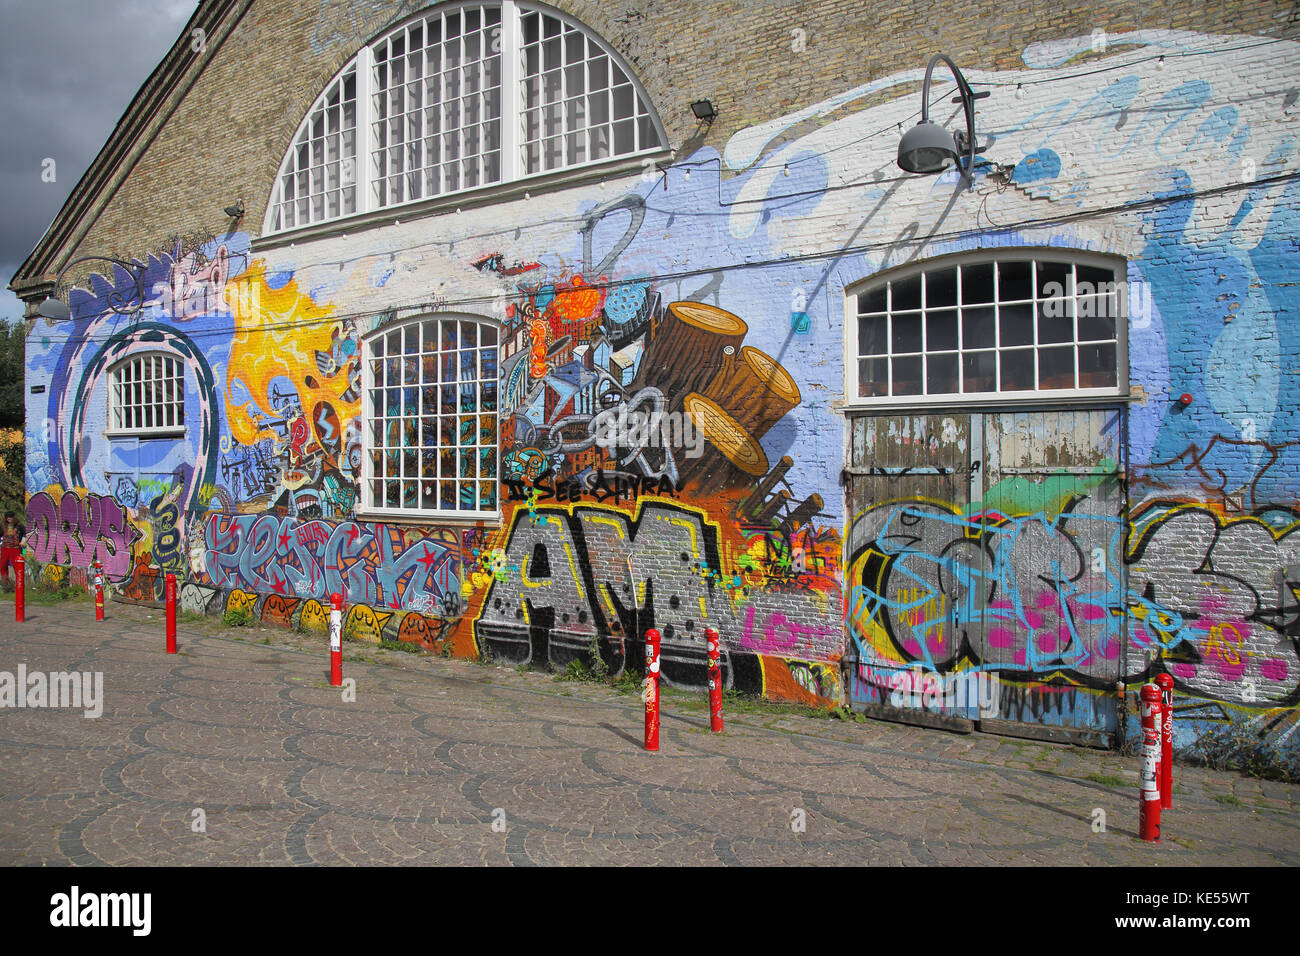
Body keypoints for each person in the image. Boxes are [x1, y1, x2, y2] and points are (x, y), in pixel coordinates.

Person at [0, 511, 25, 583]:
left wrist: (23, 540)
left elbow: (25, 533)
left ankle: (19, 582)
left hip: (15, 548)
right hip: (4, 548)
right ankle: (5, 582)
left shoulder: (19, 526)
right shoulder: (2, 525)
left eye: (10, 518)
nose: (9, 519)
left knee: (16, 566)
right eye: (7, 518)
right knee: (2, 566)